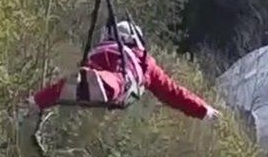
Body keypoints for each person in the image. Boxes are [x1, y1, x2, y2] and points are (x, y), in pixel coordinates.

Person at [27, 21, 220, 121]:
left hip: (111, 77)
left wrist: (203, 110)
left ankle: (88, 86)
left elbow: (174, 93)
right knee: (107, 81)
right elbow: (174, 92)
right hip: (108, 78)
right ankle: (90, 85)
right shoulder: (139, 60)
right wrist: (204, 111)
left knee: (102, 81)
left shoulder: (131, 57)